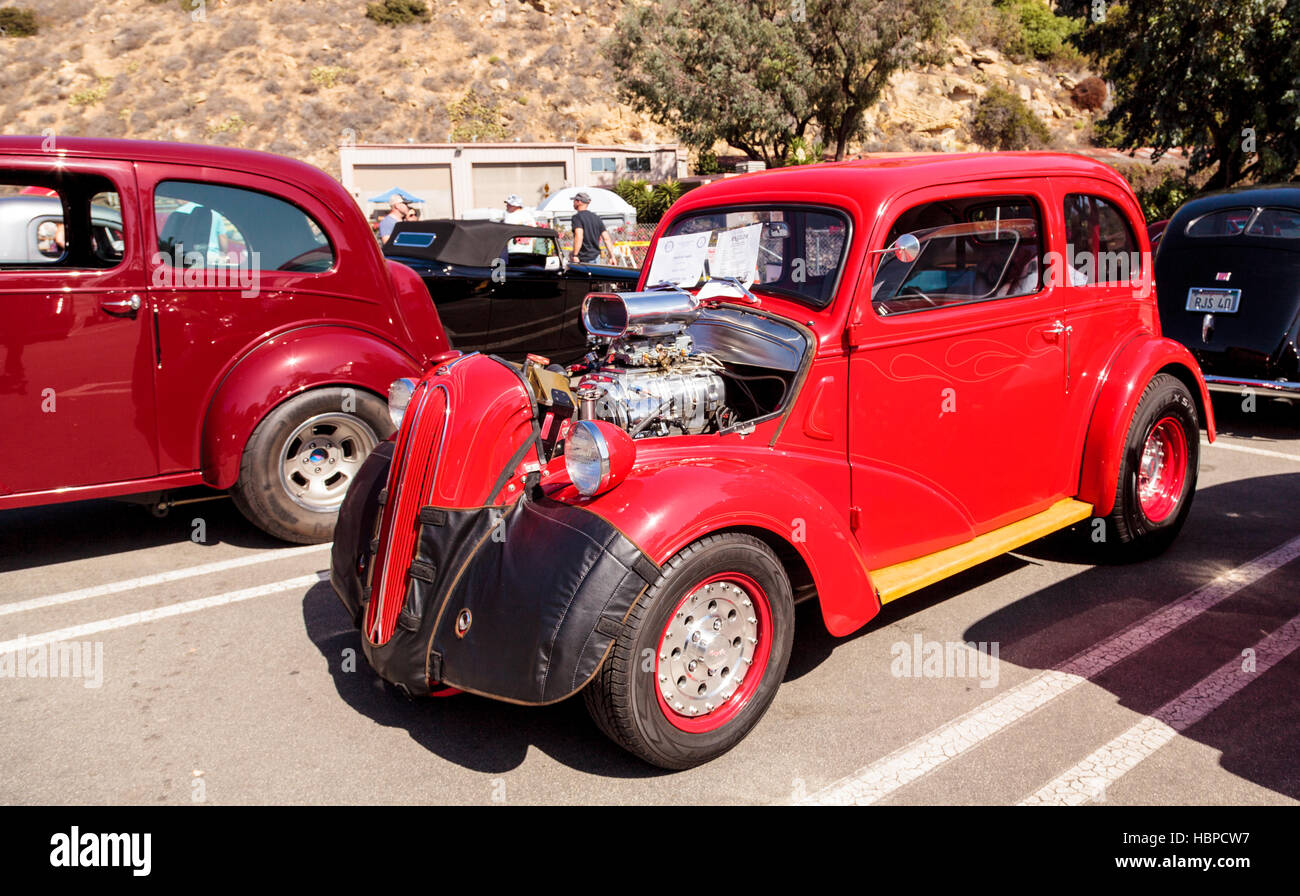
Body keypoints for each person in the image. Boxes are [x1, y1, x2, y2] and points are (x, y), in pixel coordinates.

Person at [570, 191, 614, 263]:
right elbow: (606, 238)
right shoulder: (596, 217)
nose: (573, 203)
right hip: (596, 258)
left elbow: (579, 236)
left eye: (575, 201)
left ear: (579, 202)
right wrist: (612, 256)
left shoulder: (577, 217)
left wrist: (575, 255)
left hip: (584, 259)